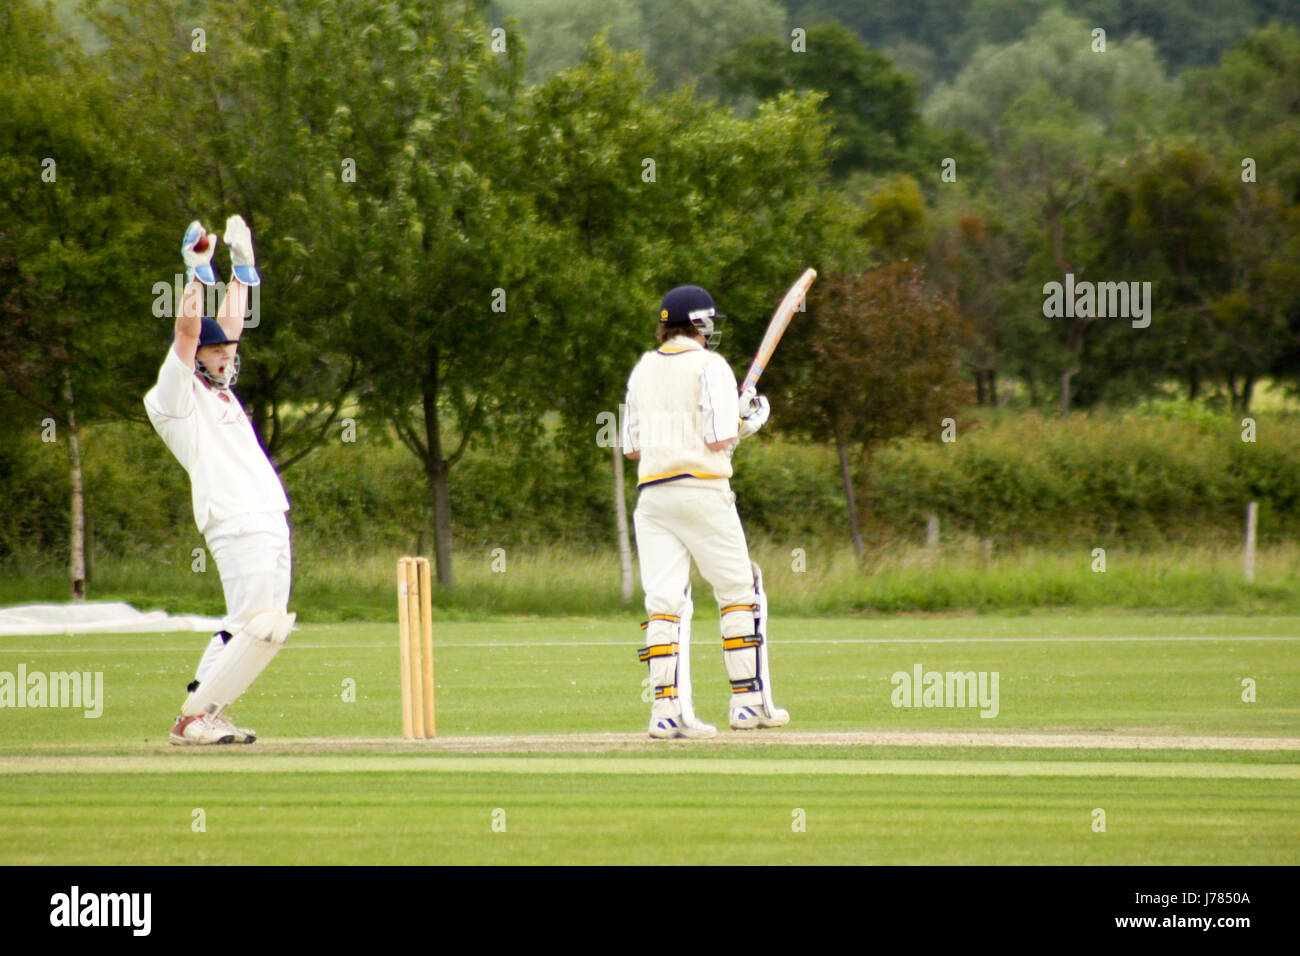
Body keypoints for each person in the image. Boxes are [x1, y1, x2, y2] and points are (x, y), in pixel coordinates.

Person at [144, 217, 295, 746]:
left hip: (268, 514)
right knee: (252, 623)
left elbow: (225, 330)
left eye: (231, 356)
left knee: (266, 627)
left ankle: (206, 710)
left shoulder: (223, 391)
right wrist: (197, 275)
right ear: (194, 360)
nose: (228, 360)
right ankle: (193, 719)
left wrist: (243, 269)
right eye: (219, 355)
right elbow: (191, 331)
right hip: (234, 519)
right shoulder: (176, 398)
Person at [622, 284, 790, 739]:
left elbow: (632, 447)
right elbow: (719, 438)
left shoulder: (642, 369)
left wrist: (730, 417)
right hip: (701, 490)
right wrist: (748, 419)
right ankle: (748, 703)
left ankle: (666, 713)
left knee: (665, 604)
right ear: (699, 323)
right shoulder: (711, 365)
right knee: (740, 588)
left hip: (653, 499)